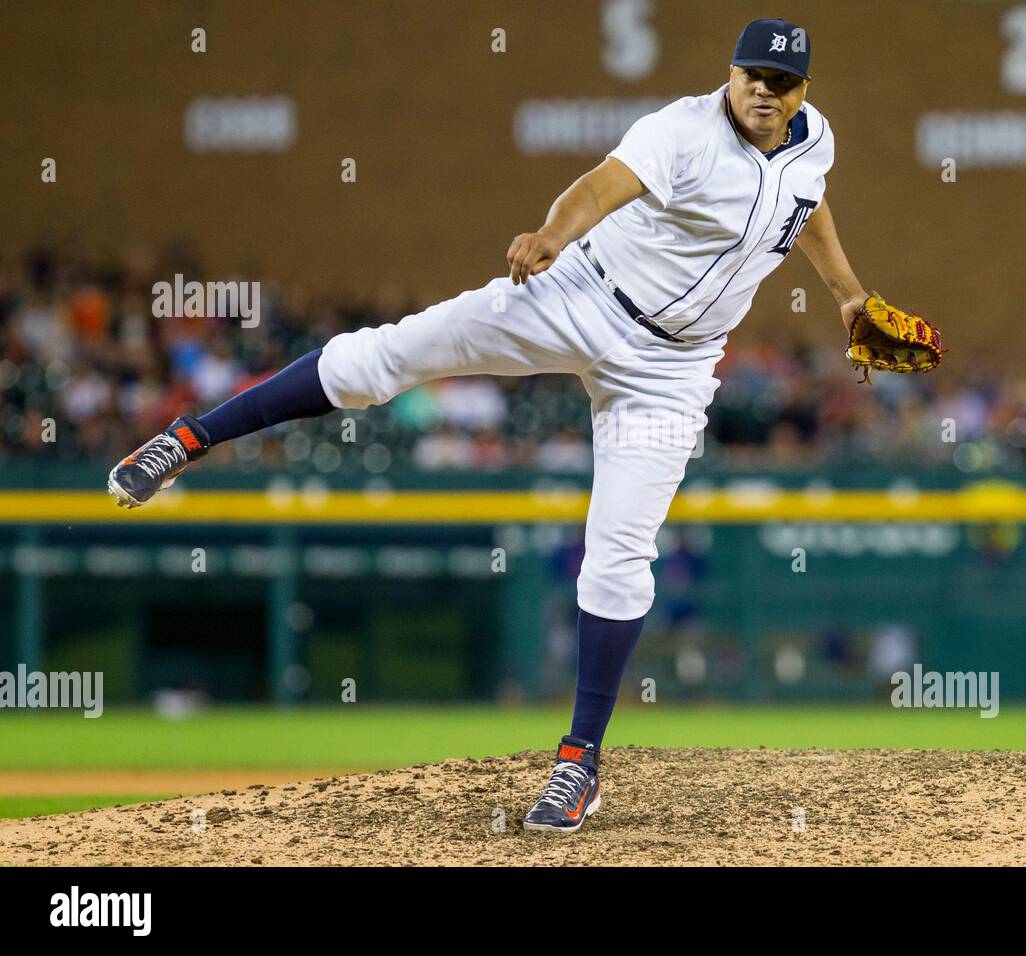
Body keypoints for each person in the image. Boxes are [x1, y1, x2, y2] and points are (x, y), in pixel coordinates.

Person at [109, 18, 869, 833]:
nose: (764, 88)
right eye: (752, 71)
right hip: (577, 294)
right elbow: (599, 186)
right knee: (385, 358)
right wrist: (551, 235)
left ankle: (579, 764)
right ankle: (190, 438)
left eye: (781, 80)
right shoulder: (682, 130)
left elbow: (806, 206)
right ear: (730, 71)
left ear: (803, 94)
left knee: (619, 559)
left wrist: (850, 296)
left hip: (672, 370)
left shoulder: (811, 141)